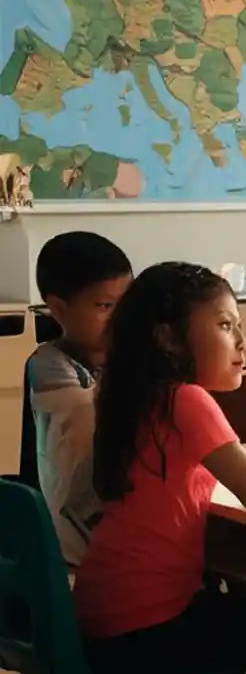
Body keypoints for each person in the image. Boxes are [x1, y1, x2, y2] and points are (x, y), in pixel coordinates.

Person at [74, 262, 246, 673]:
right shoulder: (186, 400)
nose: (243, 342)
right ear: (168, 338)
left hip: (101, 614)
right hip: (149, 628)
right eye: (225, 326)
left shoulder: (135, 397)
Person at [27, 231, 132, 565]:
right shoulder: (49, 364)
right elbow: (88, 420)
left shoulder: (127, 358)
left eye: (125, 305)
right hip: (73, 545)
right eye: (104, 306)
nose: (118, 319)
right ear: (58, 308)